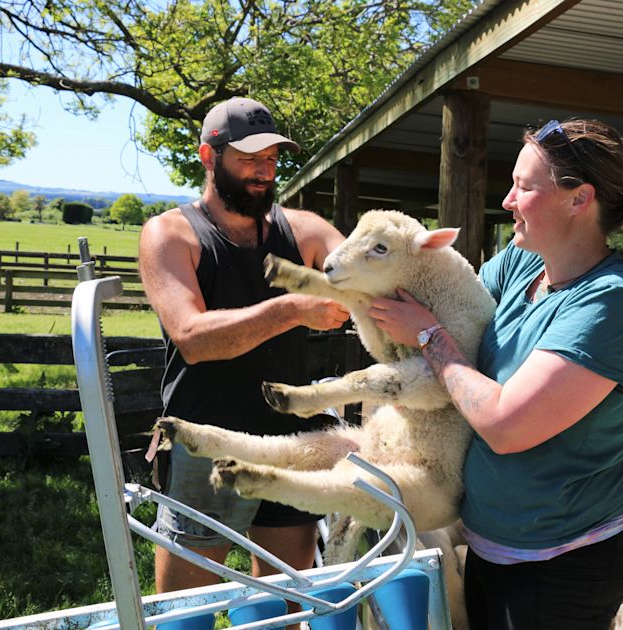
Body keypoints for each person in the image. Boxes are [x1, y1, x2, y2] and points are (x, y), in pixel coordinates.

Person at [368, 118, 623, 629]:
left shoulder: (611, 303)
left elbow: (506, 425)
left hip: (562, 560)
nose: (507, 200)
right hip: (495, 544)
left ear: (579, 200)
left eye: (524, 187)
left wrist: (427, 336)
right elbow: (448, 314)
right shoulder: (523, 264)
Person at [138, 97, 350, 619]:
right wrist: (294, 308)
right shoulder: (171, 234)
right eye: (249, 158)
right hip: (205, 441)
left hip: (288, 443)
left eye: (273, 159)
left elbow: (365, 263)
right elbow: (193, 337)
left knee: (281, 606)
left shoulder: (302, 231)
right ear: (208, 155)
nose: (264, 171)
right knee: (185, 611)